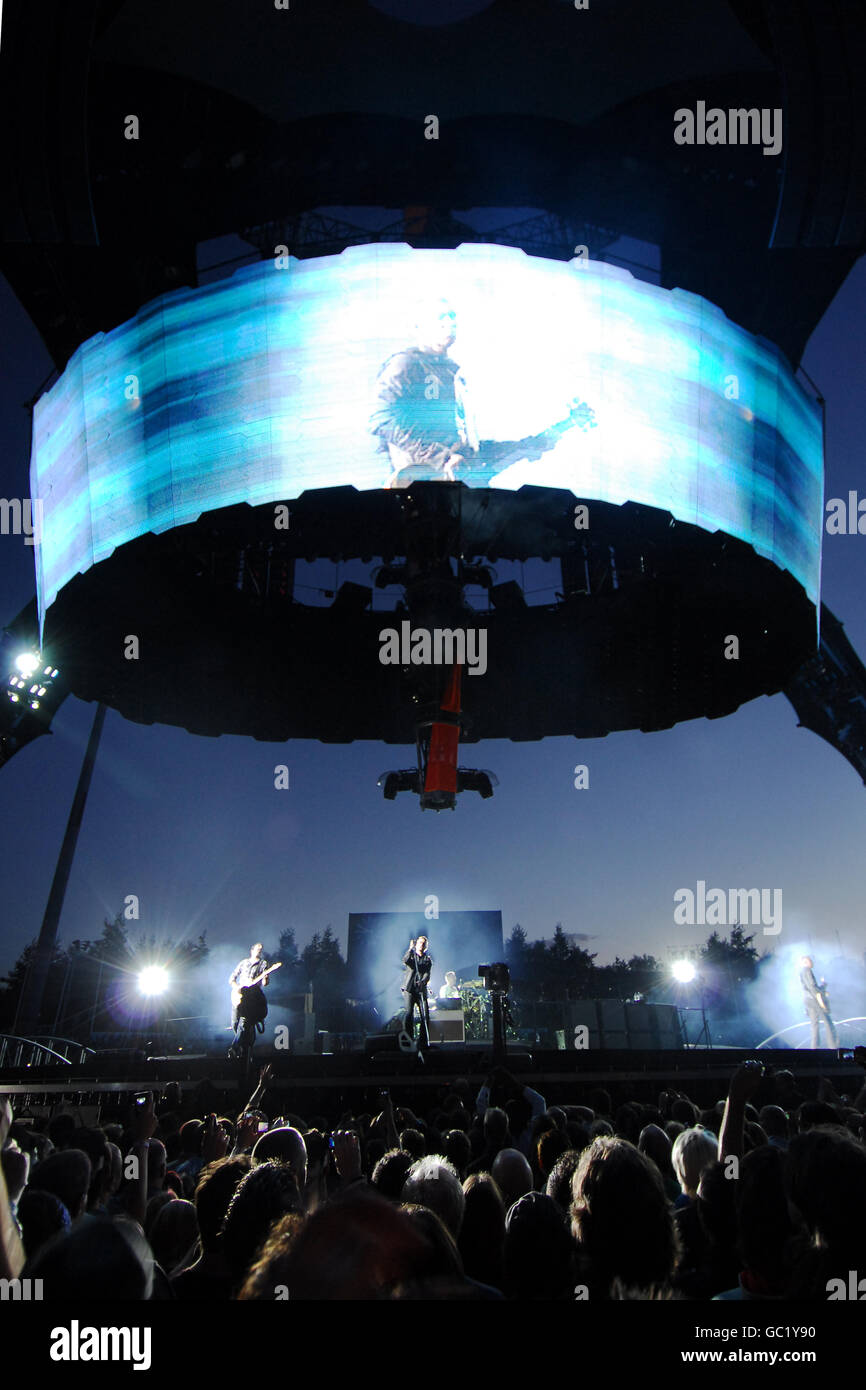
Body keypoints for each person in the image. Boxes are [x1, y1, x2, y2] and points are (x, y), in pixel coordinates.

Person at [228, 942, 270, 1062]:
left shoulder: (263, 964)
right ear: (252, 950)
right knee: (235, 1024)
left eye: (261, 949)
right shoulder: (243, 962)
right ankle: (243, 1046)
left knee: (244, 1022)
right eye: (258, 949)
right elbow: (232, 978)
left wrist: (265, 978)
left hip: (252, 998)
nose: (259, 951)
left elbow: (265, 984)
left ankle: (235, 1047)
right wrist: (237, 988)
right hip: (239, 996)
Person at [799, 956, 838, 1048]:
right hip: (814, 999)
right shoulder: (807, 971)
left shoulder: (801, 972)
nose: (812, 962)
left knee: (814, 1025)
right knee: (827, 1021)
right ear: (805, 962)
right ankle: (833, 1046)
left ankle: (815, 1047)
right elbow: (812, 987)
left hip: (807, 1000)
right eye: (810, 961)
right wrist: (822, 991)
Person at [401, 936, 433, 1050]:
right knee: (409, 1014)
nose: (421, 945)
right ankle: (408, 1039)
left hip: (420, 990)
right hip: (409, 989)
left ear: (425, 946)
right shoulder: (411, 956)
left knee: (425, 1015)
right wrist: (410, 949)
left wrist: (423, 982)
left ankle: (423, 1041)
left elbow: (427, 973)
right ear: (416, 944)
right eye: (420, 943)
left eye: (423, 943)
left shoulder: (427, 959)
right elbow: (405, 960)